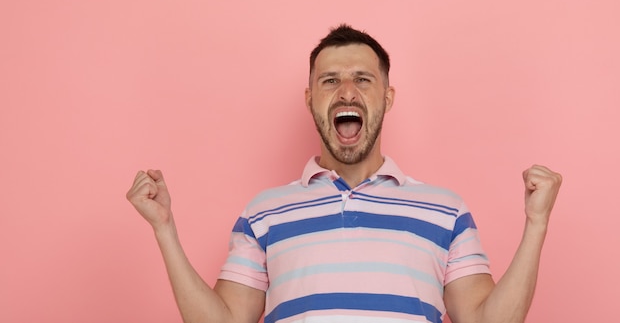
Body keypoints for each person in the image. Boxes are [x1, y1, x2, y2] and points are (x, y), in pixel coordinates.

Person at [127, 24, 562, 323]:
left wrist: (537, 224)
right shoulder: (264, 213)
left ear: (388, 98)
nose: (347, 91)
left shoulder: (444, 211)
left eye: (363, 80)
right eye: (330, 81)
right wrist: (164, 229)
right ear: (310, 98)